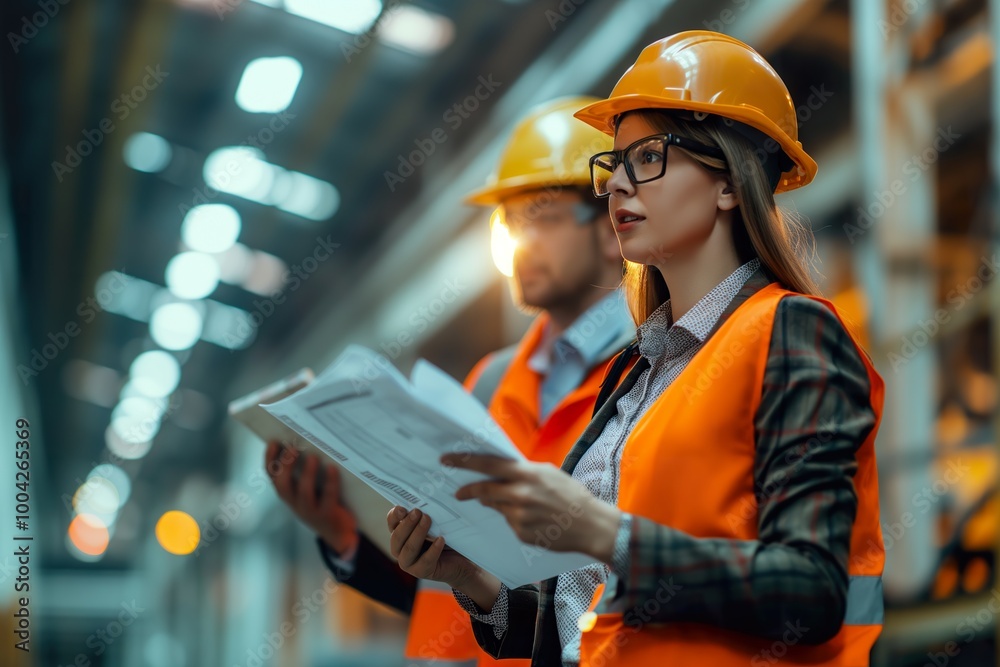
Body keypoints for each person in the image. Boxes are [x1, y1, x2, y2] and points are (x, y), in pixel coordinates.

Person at [386, 31, 886, 666]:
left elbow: (812, 590)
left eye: (647, 157)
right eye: (614, 164)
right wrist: (471, 579)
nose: (617, 185)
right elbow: (585, 621)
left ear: (729, 181)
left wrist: (601, 531)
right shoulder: (638, 370)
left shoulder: (791, 332)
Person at [264, 97, 636, 666]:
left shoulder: (658, 370)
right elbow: (447, 583)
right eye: (510, 220)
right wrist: (340, 532)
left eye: (541, 214)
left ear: (612, 225)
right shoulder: (489, 381)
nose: (520, 240)